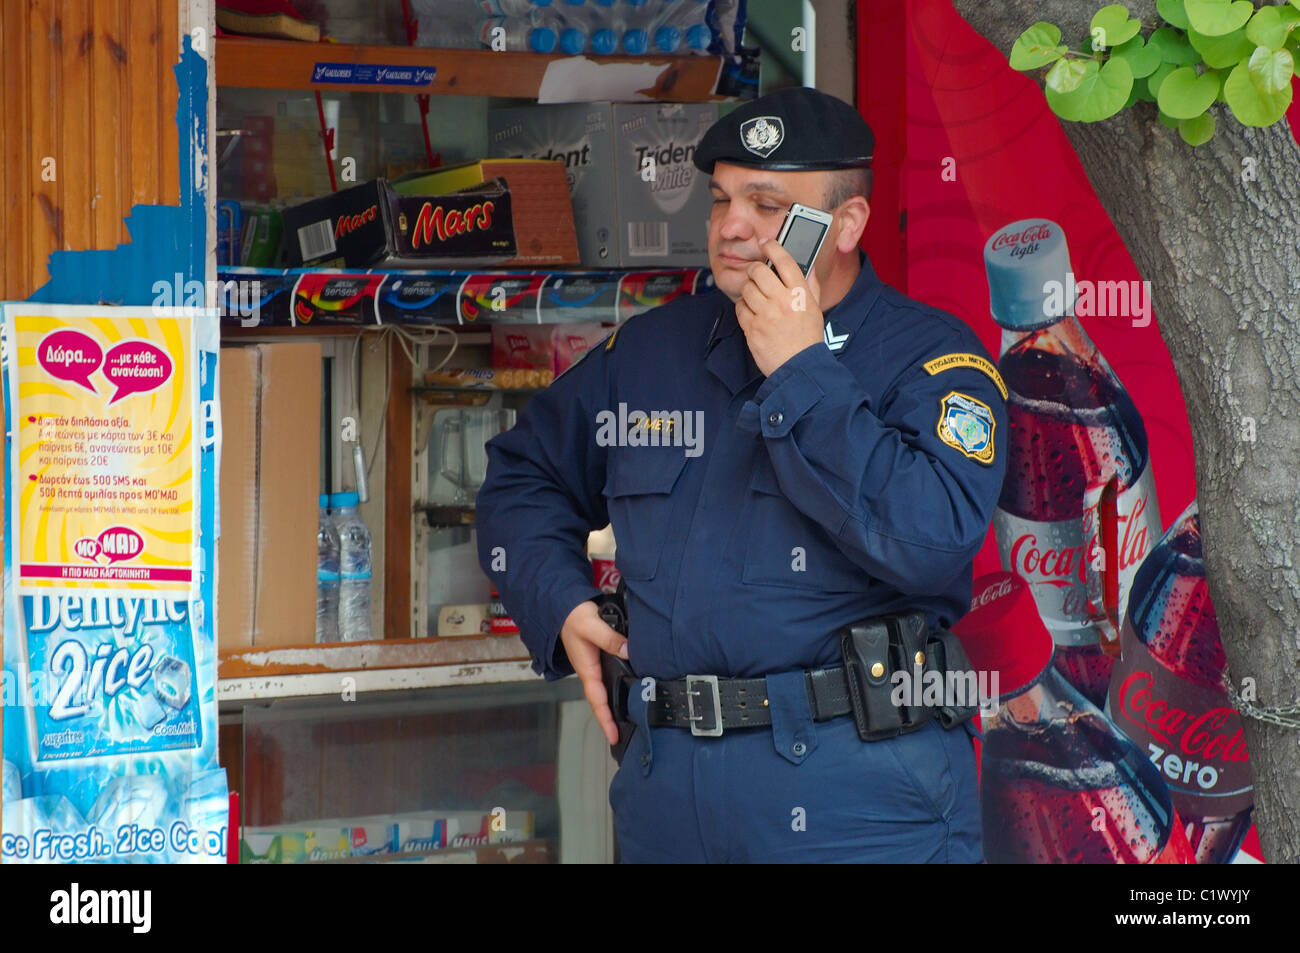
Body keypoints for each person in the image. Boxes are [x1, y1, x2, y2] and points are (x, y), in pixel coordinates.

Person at [476, 86, 1008, 863]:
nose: (730, 225)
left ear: (849, 222)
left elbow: (930, 536)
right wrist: (560, 602)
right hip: (670, 793)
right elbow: (521, 477)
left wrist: (802, 369)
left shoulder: (930, 360)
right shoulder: (655, 351)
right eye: (722, 198)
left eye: (766, 204)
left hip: (861, 801)